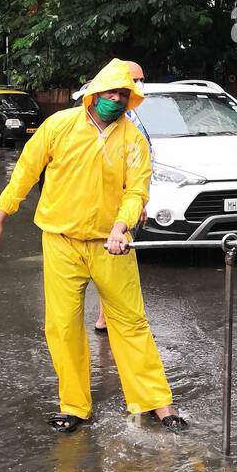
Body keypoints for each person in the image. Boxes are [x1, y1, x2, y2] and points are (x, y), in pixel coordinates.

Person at [0, 57, 187, 433]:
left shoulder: (133, 140)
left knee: (132, 324)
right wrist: (0, 216)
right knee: (62, 326)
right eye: (111, 92)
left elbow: (136, 189)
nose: (117, 99)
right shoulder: (59, 126)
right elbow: (26, 171)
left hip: (111, 244)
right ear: (94, 92)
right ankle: (74, 405)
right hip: (60, 240)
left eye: (124, 94)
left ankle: (158, 404)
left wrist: (121, 226)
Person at [93, 59, 150, 334]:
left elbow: (140, 170)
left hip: (127, 205)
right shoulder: (99, 117)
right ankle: (106, 318)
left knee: (116, 258)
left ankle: (106, 317)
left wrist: (142, 202)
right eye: (134, 79)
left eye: (140, 80)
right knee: (109, 259)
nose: (138, 84)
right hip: (106, 207)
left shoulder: (132, 118)